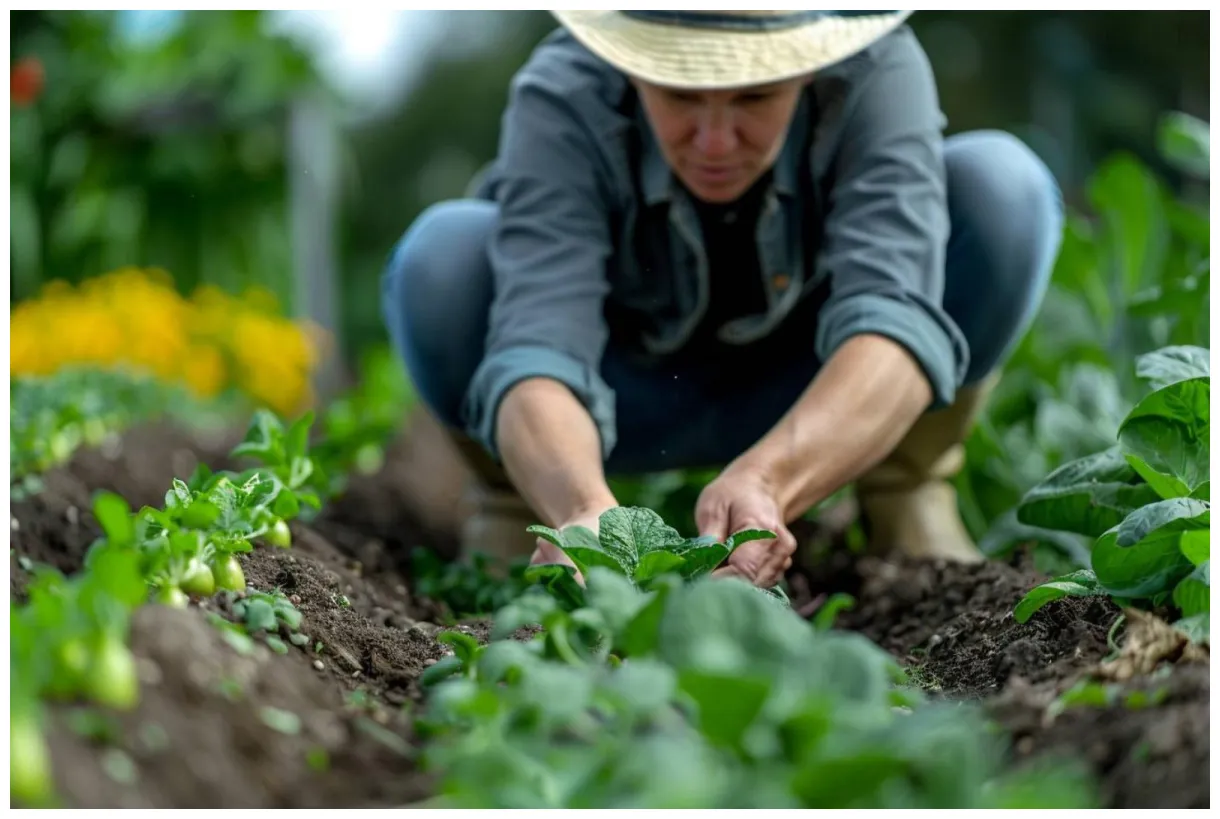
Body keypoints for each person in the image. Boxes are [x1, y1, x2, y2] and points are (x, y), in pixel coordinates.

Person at [382, 10, 1063, 590]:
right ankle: (517, 502)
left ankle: (905, 488)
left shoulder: (875, 73)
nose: (713, 142)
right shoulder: (566, 91)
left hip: (818, 389)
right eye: (679, 94)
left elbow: (896, 315)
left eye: (754, 96)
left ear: (808, 69)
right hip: (625, 398)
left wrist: (772, 479)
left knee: (1002, 192)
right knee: (443, 260)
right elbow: (537, 346)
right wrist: (582, 509)